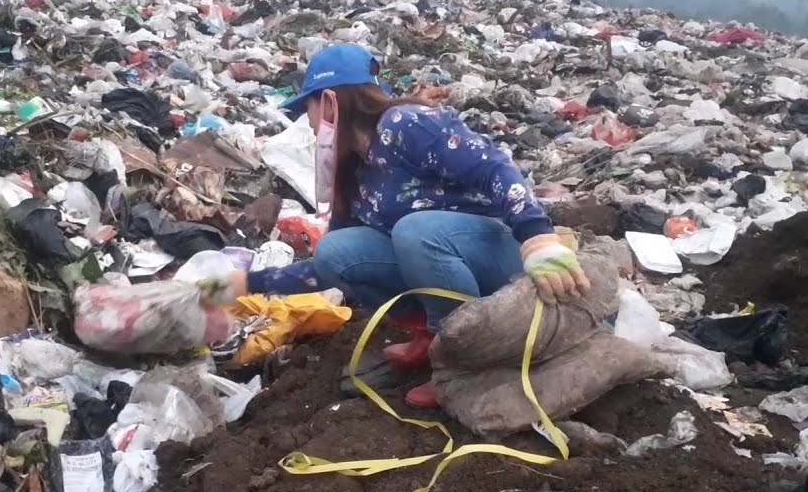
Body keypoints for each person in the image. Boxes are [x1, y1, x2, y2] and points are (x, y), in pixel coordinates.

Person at [207, 44, 590, 409]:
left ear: (328, 102)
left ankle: (467, 364)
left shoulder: (407, 124)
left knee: (415, 230)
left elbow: (495, 167)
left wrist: (537, 237)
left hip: (499, 259)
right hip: (446, 263)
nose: (306, 123)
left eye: (306, 106)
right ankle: (434, 337)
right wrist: (247, 284)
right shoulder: (356, 170)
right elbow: (326, 268)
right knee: (337, 250)